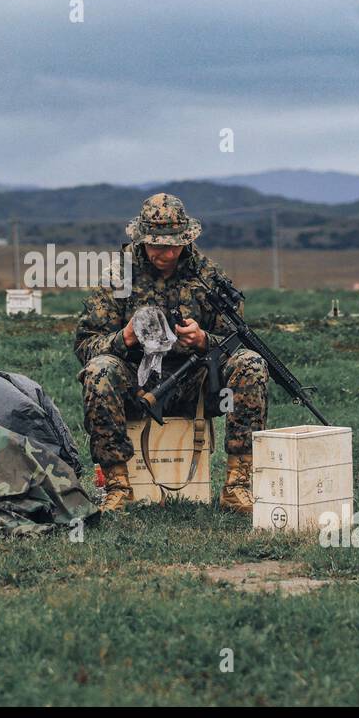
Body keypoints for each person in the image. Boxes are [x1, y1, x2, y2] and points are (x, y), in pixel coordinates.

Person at [74, 193, 268, 514]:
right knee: (99, 370)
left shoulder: (208, 277)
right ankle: (118, 487)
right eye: (157, 246)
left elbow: (237, 338)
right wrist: (126, 337)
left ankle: (237, 486)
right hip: (137, 384)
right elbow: (86, 345)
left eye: (174, 245)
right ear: (141, 240)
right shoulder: (117, 276)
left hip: (197, 383)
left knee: (252, 364)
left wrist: (204, 340)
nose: (167, 253)